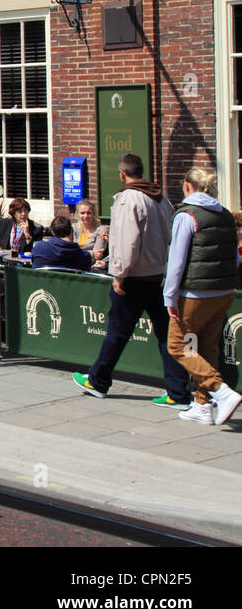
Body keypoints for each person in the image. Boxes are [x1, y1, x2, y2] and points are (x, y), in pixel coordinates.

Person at [72, 153, 193, 409]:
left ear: (122, 174)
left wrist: (119, 274)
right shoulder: (161, 198)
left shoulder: (128, 199)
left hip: (134, 277)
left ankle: (98, 381)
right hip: (158, 275)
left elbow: (128, 242)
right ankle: (178, 393)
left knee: (117, 331)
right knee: (165, 335)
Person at [163, 168, 242, 425]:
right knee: (207, 348)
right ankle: (202, 404)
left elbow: (176, 261)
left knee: (178, 345)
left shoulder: (186, 215)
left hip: (194, 293)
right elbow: (236, 256)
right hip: (223, 290)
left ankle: (220, 391)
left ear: (187, 186)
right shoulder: (226, 215)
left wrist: (169, 296)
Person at [74, 199, 109, 269]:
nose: (86, 216)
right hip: (73, 265)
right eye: (82, 213)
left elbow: (97, 256)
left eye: (89, 213)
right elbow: (70, 252)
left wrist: (78, 252)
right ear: (78, 214)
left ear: (94, 214)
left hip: (90, 267)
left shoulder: (101, 230)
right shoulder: (73, 228)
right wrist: (92, 253)